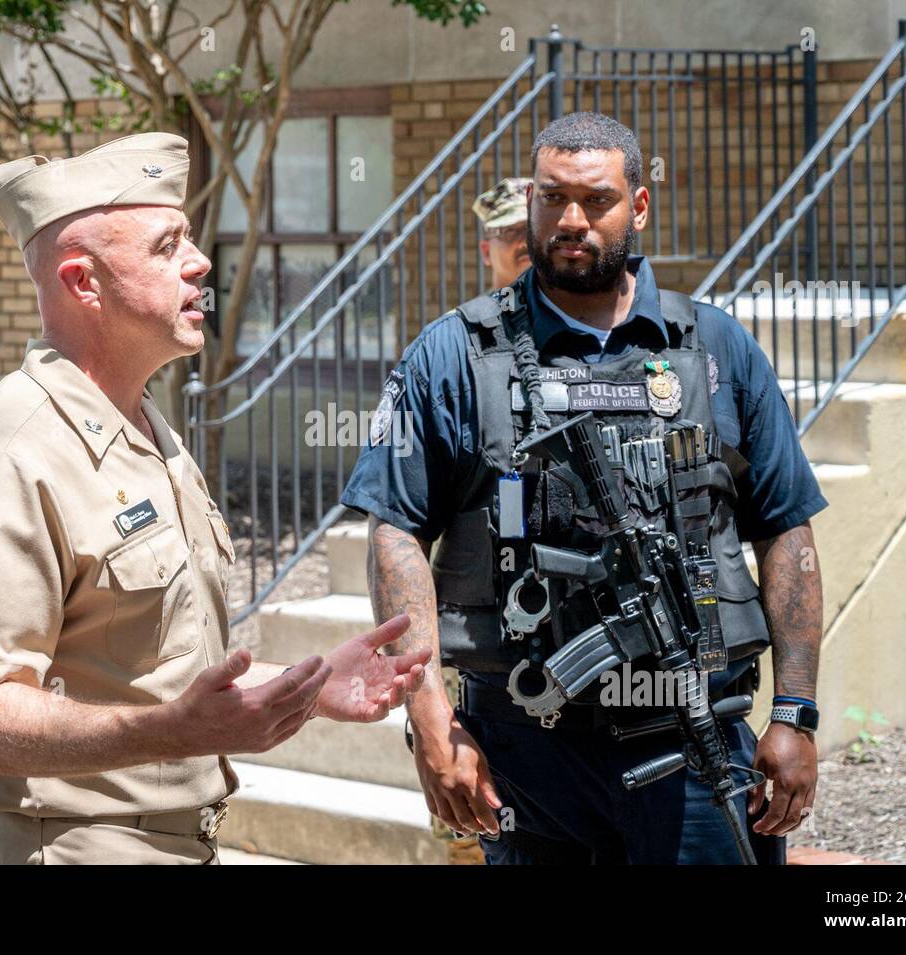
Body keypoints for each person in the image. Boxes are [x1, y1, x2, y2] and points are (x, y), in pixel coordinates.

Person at [0, 132, 426, 865]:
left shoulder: (149, 430)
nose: (200, 261)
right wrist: (174, 730)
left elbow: (148, 670)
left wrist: (299, 688)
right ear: (83, 282)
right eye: (165, 246)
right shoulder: (4, 449)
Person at [343, 112, 825, 864]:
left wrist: (795, 711)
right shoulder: (450, 355)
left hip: (696, 740)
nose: (570, 220)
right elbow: (395, 527)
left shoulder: (716, 347)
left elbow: (786, 528)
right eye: (551, 197)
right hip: (525, 749)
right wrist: (428, 707)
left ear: (638, 206)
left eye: (595, 200)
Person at [472, 177, 532, 289]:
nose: (526, 242)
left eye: (533, 229)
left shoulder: (570, 306)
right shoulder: (475, 307)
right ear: (486, 252)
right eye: (510, 231)